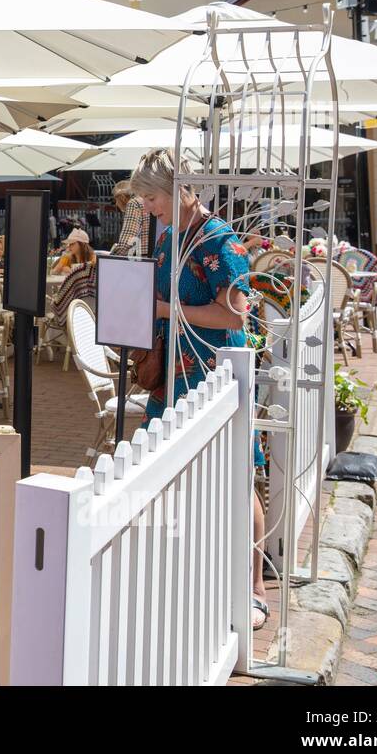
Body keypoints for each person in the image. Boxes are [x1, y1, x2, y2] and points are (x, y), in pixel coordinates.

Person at [130, 148, 268, 628]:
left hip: (215, 374)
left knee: (236, 476)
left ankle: (253, 588)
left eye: (150, 197)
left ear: (177, 189)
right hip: (174, 376)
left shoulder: (218, 240)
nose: (146, 207)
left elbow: (235, 313)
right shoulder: (171, 239)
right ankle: (193, 573)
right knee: (169, 471)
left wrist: (164, 310)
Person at [110, 179, 151, 257]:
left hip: (139, 258)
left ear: (122, 197)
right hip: (150, 256)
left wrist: (110, 256)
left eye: (115, 200)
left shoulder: (134, 203)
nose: (116, 204)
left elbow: (126, 243)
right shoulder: (144, 201)